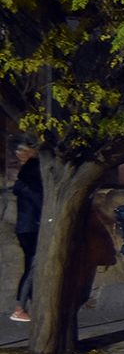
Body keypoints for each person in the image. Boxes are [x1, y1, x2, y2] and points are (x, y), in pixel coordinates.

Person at [10, 138, 42, 322]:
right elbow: (38, 199)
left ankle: (26, 304)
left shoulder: (24, 177)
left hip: (26, 226)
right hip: (31, 226)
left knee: (32, 265)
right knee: (33, 265)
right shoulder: (32, 170)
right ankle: (21, 306)